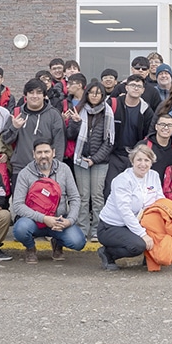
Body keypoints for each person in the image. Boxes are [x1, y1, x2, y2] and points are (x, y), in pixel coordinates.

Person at [11, 138, 85, 263]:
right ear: (33, 154)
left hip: (59, 220)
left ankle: (57, 242)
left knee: (78, 242)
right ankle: (30, 248)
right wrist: (44, 219)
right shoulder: (25, 173)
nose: (43, 156)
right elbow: (18, 205)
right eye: (39, 153)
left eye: (47, 152)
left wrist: (69, 221)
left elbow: (75, 198)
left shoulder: (64, 169)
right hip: (33, 221)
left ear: (53, 153)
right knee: (20, 229)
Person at [96, 145, 164, 270]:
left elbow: (160, 201)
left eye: (147, 160)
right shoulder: (122, 180)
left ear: (151, 162)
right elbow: (125, 212)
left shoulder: (154, 176)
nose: (143, 164)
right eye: (139, 160)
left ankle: (149, 257)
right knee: (138, 246)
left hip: (138, 222)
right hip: (111, 226)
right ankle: (108, 253)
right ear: (132, 161)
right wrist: (143, 234)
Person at [67, 79, 115, 241]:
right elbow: (70, 135)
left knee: (97, 196)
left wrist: (94, 159)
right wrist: (74, 123)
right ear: (87, 94)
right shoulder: (79, 110)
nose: (95, 96)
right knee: (82, 195)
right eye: (92, 92)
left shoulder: (107, 112)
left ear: (102, 95)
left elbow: (109, 142)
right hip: (80, 159)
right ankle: (81, 228)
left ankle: (97, 229)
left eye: (98, 93)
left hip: (99, 162)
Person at [2, 78, 66, 193]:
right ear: (25, 95)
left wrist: (55, 170)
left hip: (46, 170)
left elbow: (59, 144)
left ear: (44, 95)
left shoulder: (54, 115)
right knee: (20, 207)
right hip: (20, 169)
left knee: (45, 207)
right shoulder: (17, 113)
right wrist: (14, 127)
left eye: (38, 92)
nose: (34, 96)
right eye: (31, 92)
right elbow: (6, 140)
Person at [105, 74, 155, 191]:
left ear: (143, 90)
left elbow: (148, 135)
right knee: (110, 188)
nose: (136, 88)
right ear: (126, 87)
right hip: (114, 154)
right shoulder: (113, 104)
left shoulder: (146, 111)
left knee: (133, 189)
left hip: (134, 156)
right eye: (133, 85)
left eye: (139, 86)